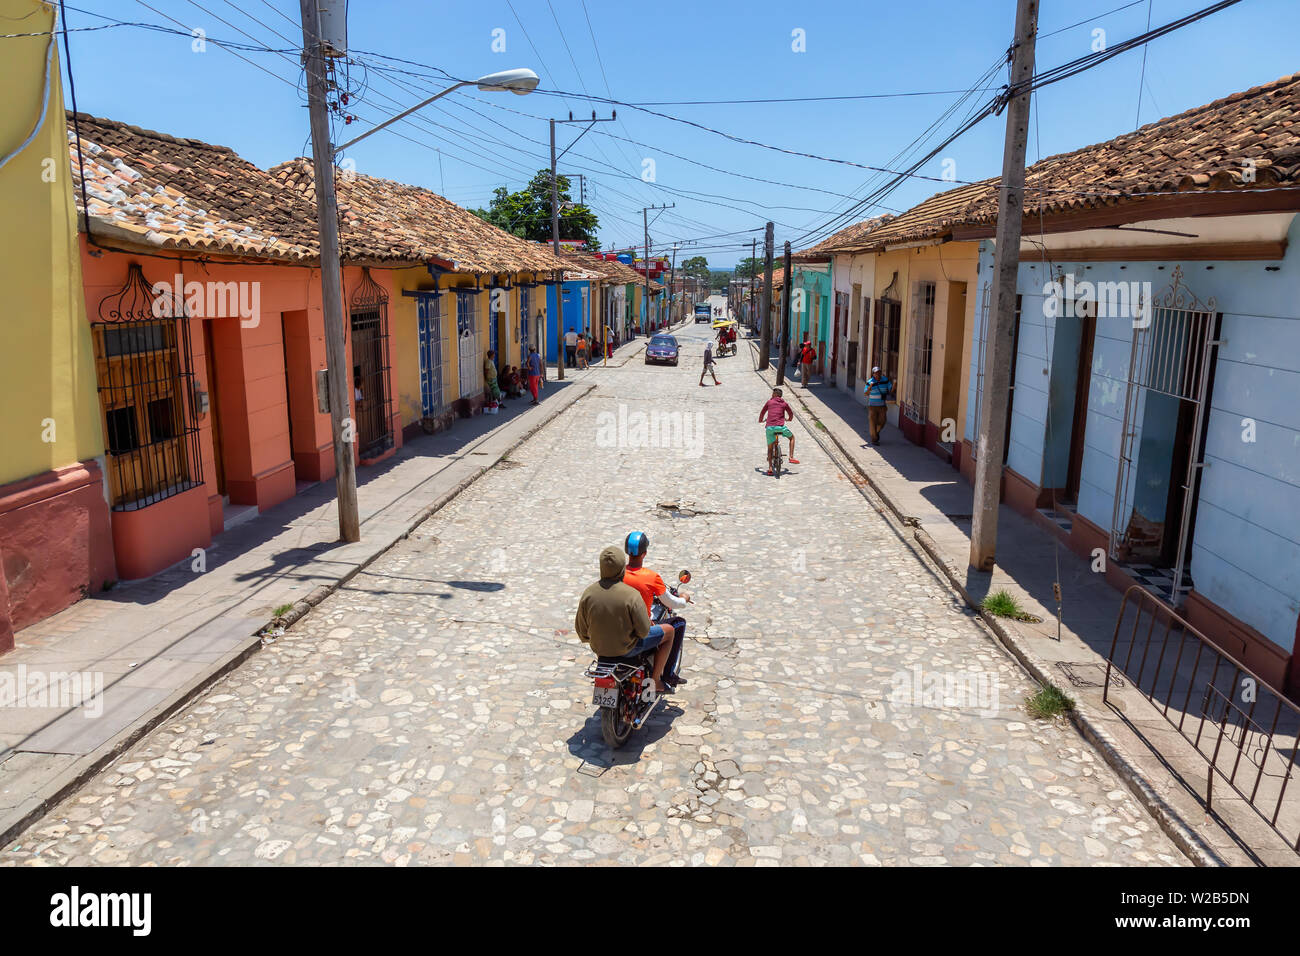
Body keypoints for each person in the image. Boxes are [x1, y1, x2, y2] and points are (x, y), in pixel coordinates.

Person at [620, 531, 690, 691]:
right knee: (677, 625)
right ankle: (661, 678)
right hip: (637, 632)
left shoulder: (618, 574)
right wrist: (684, 599)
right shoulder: (651, 577)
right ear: (644, 553)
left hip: (617, 630)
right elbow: (671, 602)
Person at [575, 547, 662, 673]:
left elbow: (581, 631)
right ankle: (657, 680)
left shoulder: (588, 593)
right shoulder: (631, 595)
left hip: (599, 649)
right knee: (670, 631)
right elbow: (643, 632)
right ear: (622, 567)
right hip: (627, 649)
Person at [758, 386, 799, 474]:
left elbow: (762, 412)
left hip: (769, 428)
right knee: (792, 438)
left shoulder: (769, 402)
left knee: (769, 447)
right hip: (781, 427)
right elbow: (791, 413)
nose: (771, 395)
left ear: (775, 394)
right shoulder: (784, 403)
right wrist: (789, 419)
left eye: (772, 394)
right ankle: (791, 457)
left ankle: (770, 468)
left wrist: (761, 420)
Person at [863, 365, 893, 445]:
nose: (878, 374)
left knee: (883, 421)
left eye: (879, 372)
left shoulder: (885, 380)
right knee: (872, 422)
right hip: (872, 406)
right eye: (876, 373)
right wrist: (870, 387)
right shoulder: (870, 382)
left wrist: (894, 385)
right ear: (873, 374)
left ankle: (876, 432)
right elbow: (865, 393)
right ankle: (874, 439)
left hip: (882, 405)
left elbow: (890, 388)